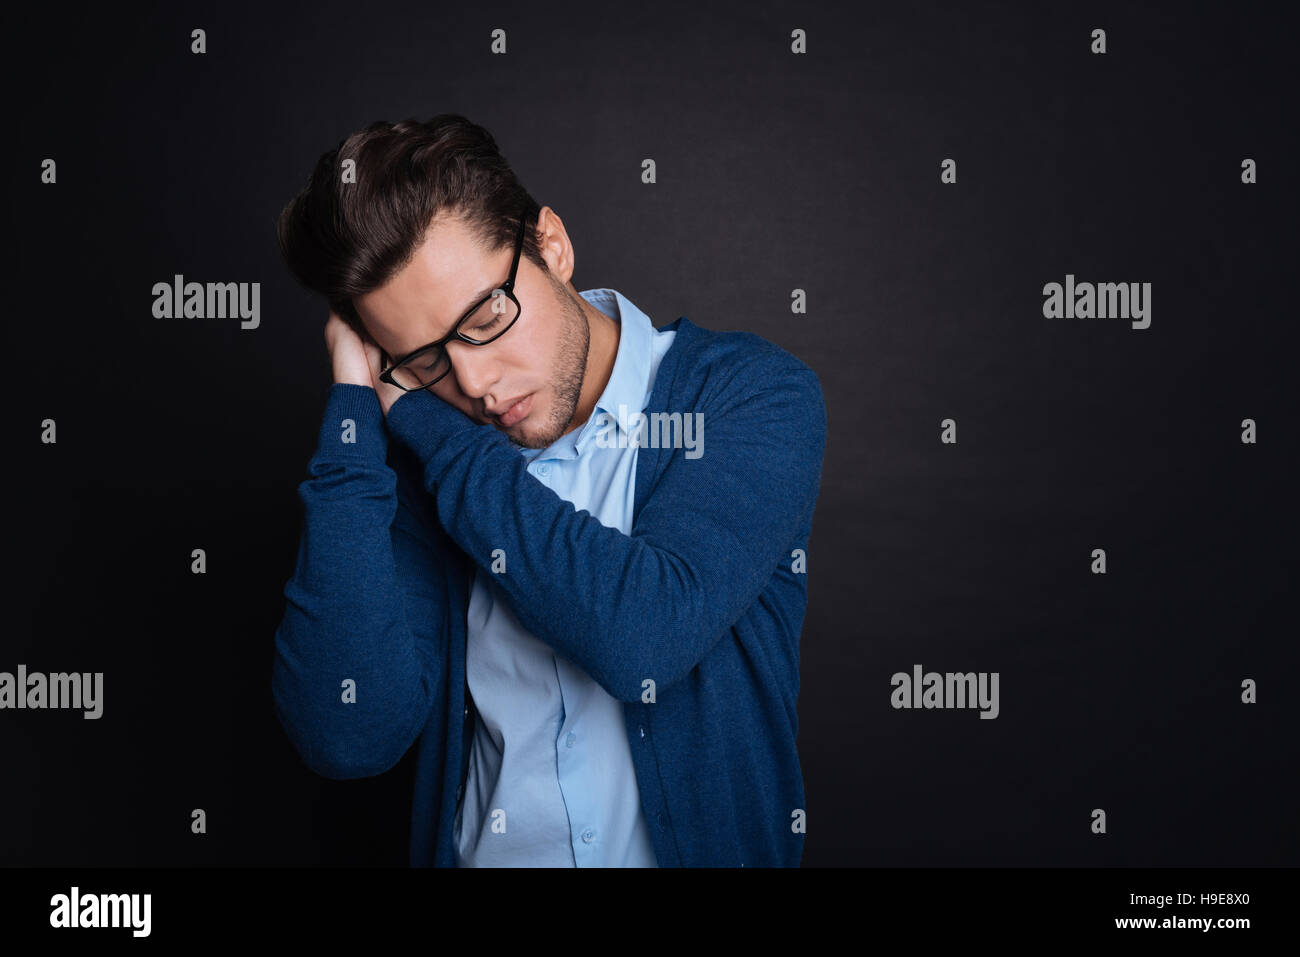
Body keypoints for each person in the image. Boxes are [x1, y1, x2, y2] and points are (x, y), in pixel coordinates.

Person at [271, 113, 827, 867]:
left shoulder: (746, 396)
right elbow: (349, 733)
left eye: (485, 317)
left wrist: (433, 431)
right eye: (423, 359)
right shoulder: (412, 461)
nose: (472, 384)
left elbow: (643, 636)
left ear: (552, 246)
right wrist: (355, 410)